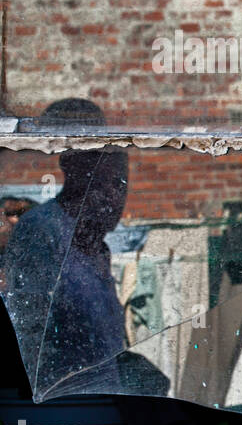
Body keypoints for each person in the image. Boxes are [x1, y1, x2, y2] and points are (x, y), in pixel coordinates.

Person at [0, 99, 164, 398]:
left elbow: (102, 346)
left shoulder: (98, 249)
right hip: (60, 415)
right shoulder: (42, 232)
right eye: (106, 183)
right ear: (73, 168)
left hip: (104, 408)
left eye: (121, 184)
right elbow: (31, 336)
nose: (115, 198)